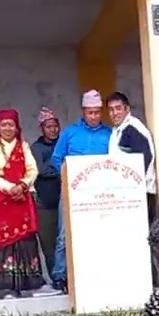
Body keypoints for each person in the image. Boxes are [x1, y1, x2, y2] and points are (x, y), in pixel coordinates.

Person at [49, 91, 112, 294]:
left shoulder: (109, 134)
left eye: (96, 112)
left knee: (97, 233)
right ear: (83, 111)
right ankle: (59, 277)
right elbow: (56, 159)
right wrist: (68, 177)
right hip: (71, 192)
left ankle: (96, 274)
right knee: (64, 235)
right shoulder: (70, 132)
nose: (93, 116)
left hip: (99, 194)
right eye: (89, 112)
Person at [0, 108, 45, 296]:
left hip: (22, 201)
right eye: (4, 125)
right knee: (5, 243)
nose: (8, 128)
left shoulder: (24, 147)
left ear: (17, 128)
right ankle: (9, 287)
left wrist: (23, 186)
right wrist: (10, 189)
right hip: (1, 203)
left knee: (25, 241)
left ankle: (30, 285)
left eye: (11, 124)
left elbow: (33, 170)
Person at [105, 92, 157, 221]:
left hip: (139, 193)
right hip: (125, 193)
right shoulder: (117, 130)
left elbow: (146, 158)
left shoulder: (133, 129)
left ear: (127, 109)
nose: (114, 113)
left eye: (118, 108)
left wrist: (133, 187)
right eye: (111, 110)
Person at [29, 108, 62, 278]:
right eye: (48, 127)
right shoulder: (36, 148)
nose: (53, 130)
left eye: (55, 126)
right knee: (50, 246)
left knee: (67, 244)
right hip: (45, 204)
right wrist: (63, 170)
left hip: (65, 202)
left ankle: (68, 280)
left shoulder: (64, 143)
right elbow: (40, 171)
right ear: (42, 128)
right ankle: (56, 279)